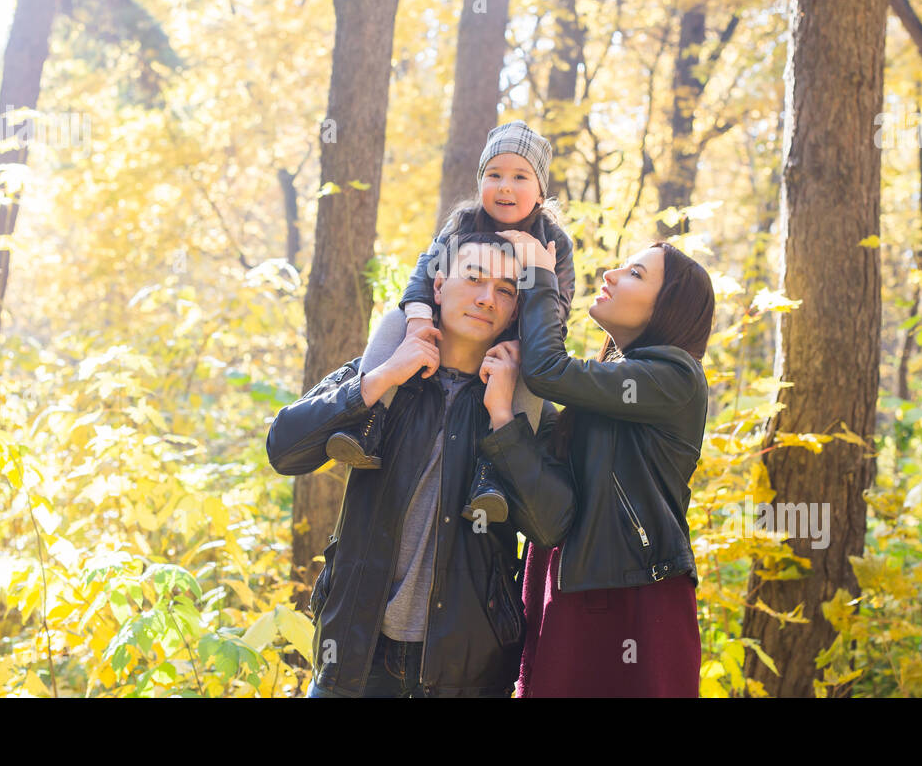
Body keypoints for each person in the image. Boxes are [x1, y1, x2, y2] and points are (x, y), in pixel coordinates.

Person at [266, 233, 574, 697]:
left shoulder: (523, 409)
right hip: (354, 655)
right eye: (473, 278)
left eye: (506, 290)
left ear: (514, 311)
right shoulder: (379, 376)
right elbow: (284, 449)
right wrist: (384, 375)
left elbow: (552, 525)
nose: (487, 297)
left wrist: (502, 419)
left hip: (468, 670)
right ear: (437, 287)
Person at [323, 121, 576, 528]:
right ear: (480, 183)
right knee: (395, 320)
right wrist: (419, 315)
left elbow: (559, 305)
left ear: (541, 192)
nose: (505, 187)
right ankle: (368, 420)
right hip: (449, 332)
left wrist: (529, 339)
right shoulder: (464, 223)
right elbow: (425, 272)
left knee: (527, 379)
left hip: (518, 338)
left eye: (519, 177)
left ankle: (491, 475)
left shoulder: (553, 241)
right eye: (493, 175)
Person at [497, 229, 716, 697]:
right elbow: (550, 460)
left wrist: (540, 279)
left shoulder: (676, 377)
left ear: (668, 307)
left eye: (635, 273)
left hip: (636, 598)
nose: (611, 274)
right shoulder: (612, 383)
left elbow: (548, 371)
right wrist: (504, 401)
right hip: (568, 581)